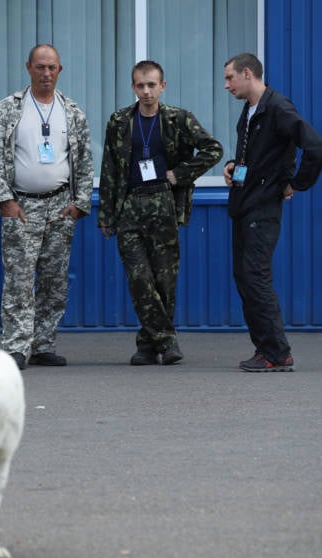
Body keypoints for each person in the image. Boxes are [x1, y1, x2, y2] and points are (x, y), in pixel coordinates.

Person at [98, 60, 222, 366]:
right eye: (140, 85)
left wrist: (179, 173)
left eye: (152, 84)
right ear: (132, 87)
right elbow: (110, 168)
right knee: (139, 278)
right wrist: (107, 214)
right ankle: (167, 340)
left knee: (164, 280)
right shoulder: (119, 121)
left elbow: (213, 149)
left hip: (164, 204)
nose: (146, 91)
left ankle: (148, 344)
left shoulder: (178, 119)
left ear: (162, 86)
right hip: (130, 205)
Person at [0, 44, 93, 370]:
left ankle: (44, 343)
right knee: (18, 280)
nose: (46, 73)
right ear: (28, 67)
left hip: (60, 206)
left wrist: (79, 204)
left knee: (54, 280)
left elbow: (85, 161)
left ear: (60, 70)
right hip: (21, 206)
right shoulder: (9, 108)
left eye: (52, 68)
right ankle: (17, 346)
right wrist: (5, 201)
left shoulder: (71, 111)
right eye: (40, 67)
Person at [222, 53, 322, 372]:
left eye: (230, 78)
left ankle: (278, 353)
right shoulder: (251, 110)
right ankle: (264, 349)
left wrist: (296, 184)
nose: (226, 85)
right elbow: (254, 155)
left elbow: (314, 147)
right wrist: (231, 167)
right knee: (245, 278)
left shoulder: (278, 107)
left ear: (247, 73)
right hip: (244, 204)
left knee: (256, 278)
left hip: (262, 209)